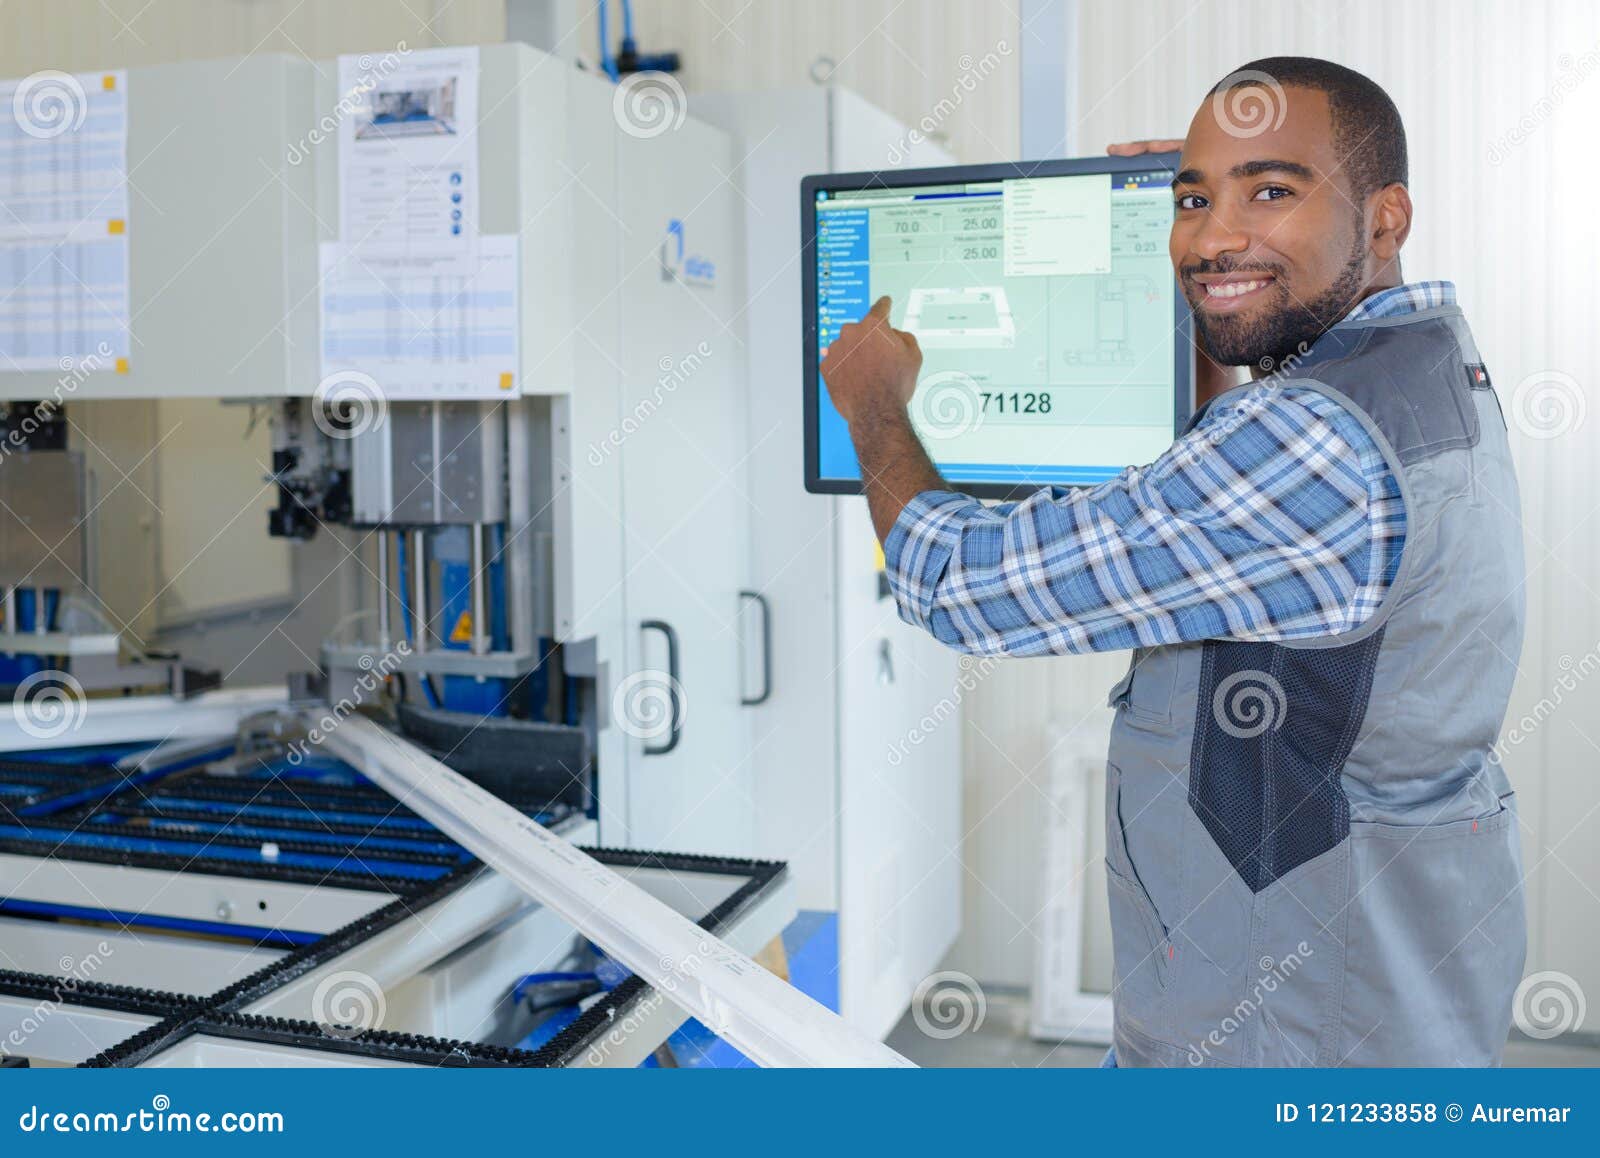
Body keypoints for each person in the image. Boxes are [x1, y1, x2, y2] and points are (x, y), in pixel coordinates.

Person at [819, 56, 1526, 1067]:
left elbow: (958, 586)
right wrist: (1218, 308)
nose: (1210, 237)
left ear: (1384, 218)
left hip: (1287, 1044)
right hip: (1353, 994)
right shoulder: (1417, 361)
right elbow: (1235, 528)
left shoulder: (1312, 445)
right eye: (1192, 200)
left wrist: (874, 405)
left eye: (1270, 190)